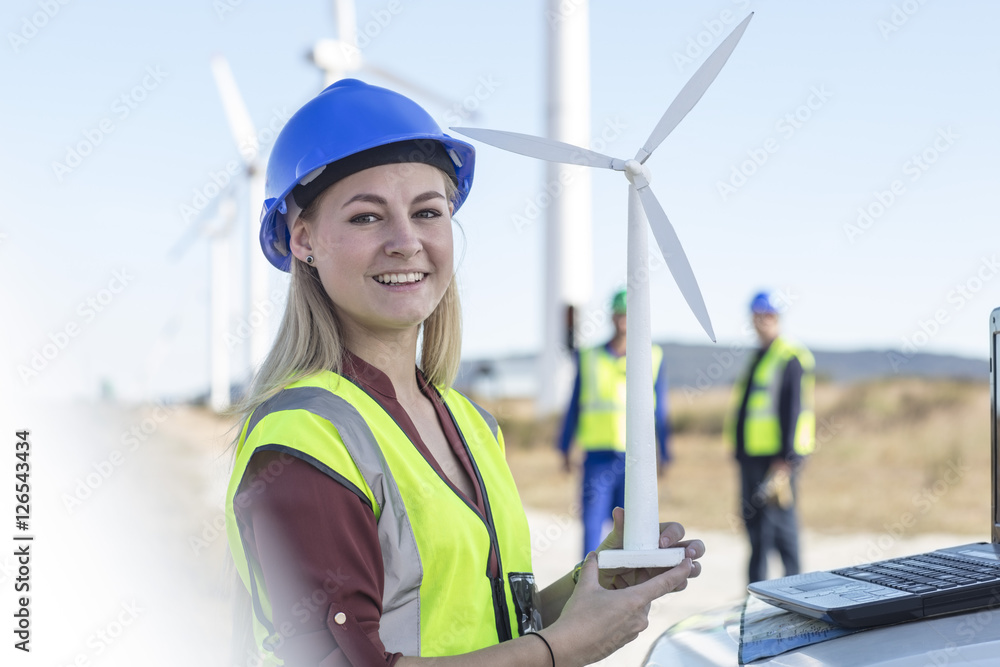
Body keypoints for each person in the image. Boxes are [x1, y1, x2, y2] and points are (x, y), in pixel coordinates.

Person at [223, 79, 705, 667]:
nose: (406, 242)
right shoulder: (303, 442)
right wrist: (564, 650)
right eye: (367, 216)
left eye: (428, 212)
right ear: (304, 241)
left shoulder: (471, 423)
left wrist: (594, 582)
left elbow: (488, 621)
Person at [557, 289, 671, 557]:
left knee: (632, 532)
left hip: (635, 459)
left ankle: (624, 590)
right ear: (611, 316)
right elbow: (574, 405)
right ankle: (587, 585)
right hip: (597, 457)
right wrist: (564, 447)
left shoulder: (653, 356)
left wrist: (664, 452)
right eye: (619, 314)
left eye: (628, 315)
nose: (623, 320)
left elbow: (661, 410)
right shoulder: (589, 357)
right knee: (592, 527)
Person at [725, 290, 815, 584]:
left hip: (777, 458)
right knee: (756, 528)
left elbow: (792, 409)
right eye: (757, 315)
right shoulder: (759, 357)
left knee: (781, 528)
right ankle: (756, 593)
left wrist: (785, 459)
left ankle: (795, 589)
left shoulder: (789, 356)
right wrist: (738, 449)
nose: (761, 321)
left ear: (776, 317)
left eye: (768, 315)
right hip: (753, 455)